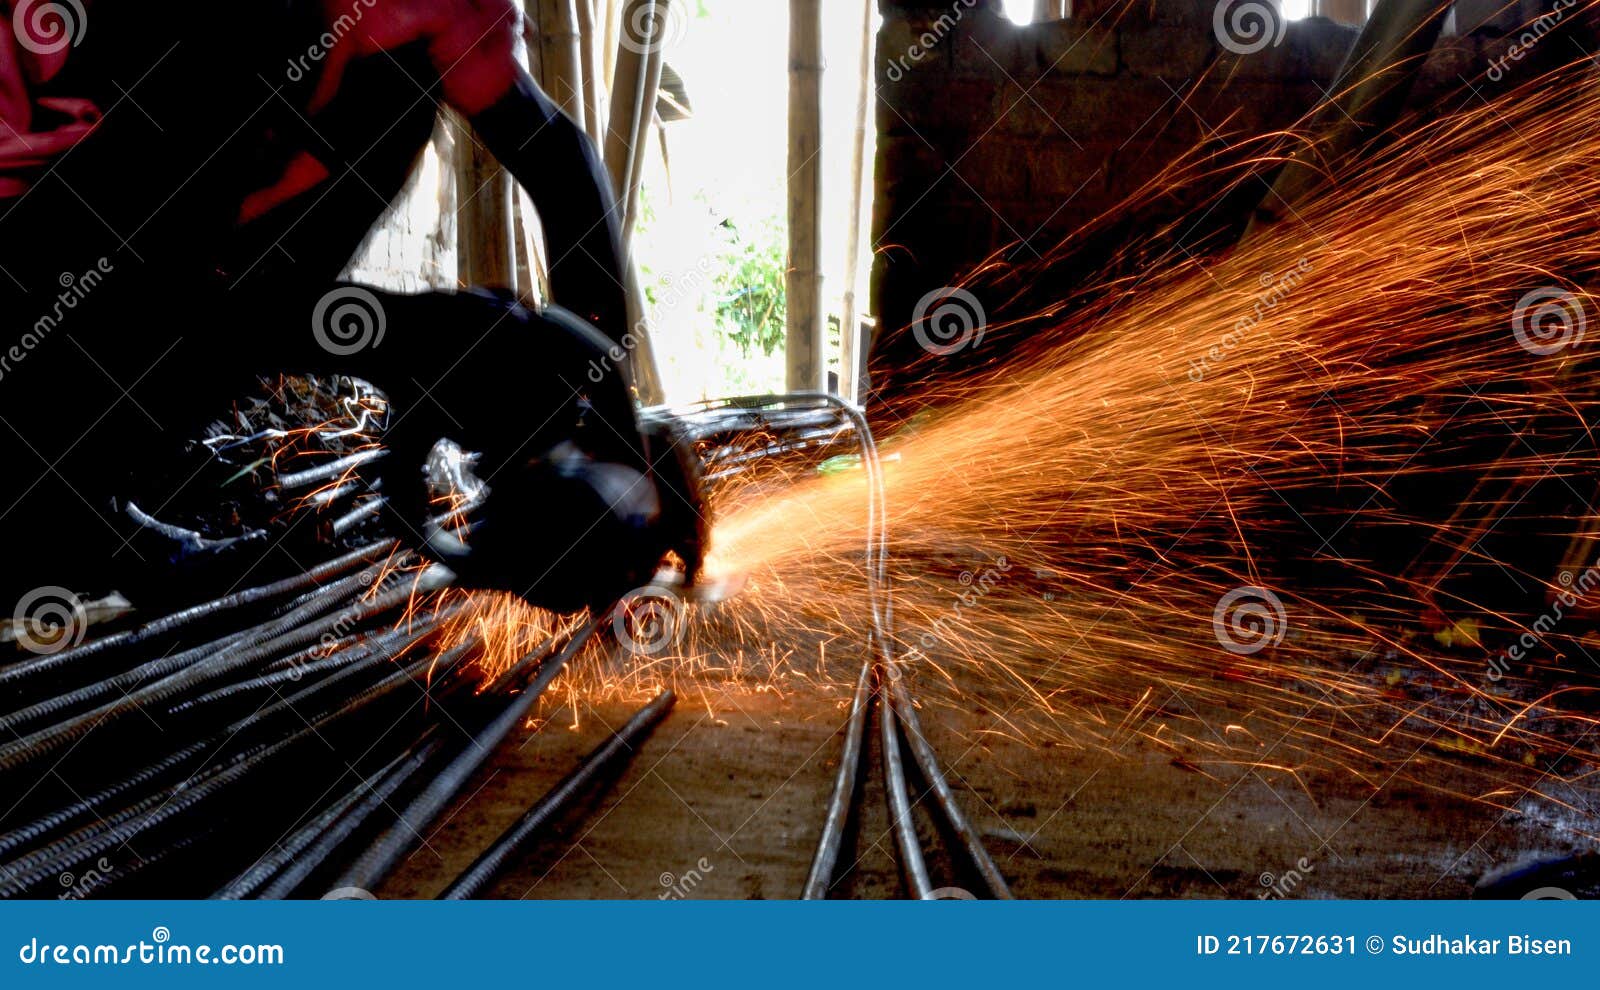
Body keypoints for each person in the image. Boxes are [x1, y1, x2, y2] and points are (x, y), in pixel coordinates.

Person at [0, 0, 694, 613]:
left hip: (161, 226)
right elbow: (172, 275)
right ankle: (47, 518)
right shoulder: (174, 45)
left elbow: (559, 162)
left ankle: (89, 509)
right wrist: (405, 341)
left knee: (394, 91)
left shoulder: (396, 36)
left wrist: (597, 417)